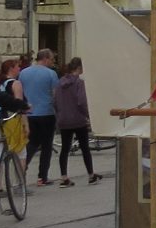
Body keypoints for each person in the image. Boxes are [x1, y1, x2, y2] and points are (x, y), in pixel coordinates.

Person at [54, 57, 98, 186]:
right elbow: (81, 102)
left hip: (64, 120)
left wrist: (60, 114)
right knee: (85, 148)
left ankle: (63, 177)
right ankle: (91, 175)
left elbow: (55, 101)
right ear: (79, 68)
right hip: (78, 119)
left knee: (65, 149)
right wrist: (88, 116)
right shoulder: (79, 83)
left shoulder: (60, 82)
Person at [20, 49, 61, 185]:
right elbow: (56, 95)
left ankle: (22, 168)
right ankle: (42, 177)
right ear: (46, 59)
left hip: (29, 114)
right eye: (52, 59)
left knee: (31, 144)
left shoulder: (23, 73)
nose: (52, 62)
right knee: (46, 146)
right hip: (46, 113)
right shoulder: (51, 74)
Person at [0, 57, 28, 162]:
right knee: (21, 152)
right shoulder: (16, 84)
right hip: (11, 120)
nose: (19, 69)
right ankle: (19, 177)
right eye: (18, 67)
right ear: (11, 69)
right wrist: (25, 125)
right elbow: (19, 106)